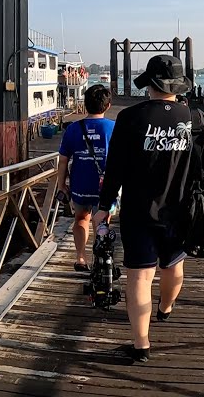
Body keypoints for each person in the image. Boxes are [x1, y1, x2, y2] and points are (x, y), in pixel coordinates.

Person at [94, 55, 204, 363]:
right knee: (174, 266)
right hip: (181, 210)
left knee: (139, 277)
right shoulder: (196, 119)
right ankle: (165, 309)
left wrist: (104, 205)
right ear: (178, 85)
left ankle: (141, 344)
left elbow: (114, 169)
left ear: (150, 85)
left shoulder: (129, 118)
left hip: (138, 212)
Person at [52, 84, 114, 270]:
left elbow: (63, 161)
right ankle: (101, 258)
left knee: (80, 218)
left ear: (85, 104)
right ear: (108, 105)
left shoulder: (73, 128)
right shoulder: (113, 128)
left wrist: (61, 184)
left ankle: (80, 257)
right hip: (105, 186)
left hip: (80, 183)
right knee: (102, 221)